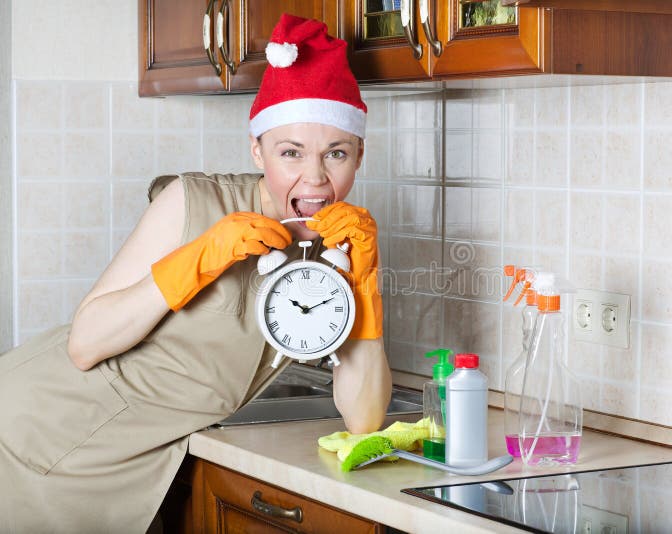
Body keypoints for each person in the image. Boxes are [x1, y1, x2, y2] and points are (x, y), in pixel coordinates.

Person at [0, 13, 391, 533]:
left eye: (335, 153)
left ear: (359, 155)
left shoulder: (342, 250)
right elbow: (85, 344)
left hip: (132, 459)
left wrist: (365, 279)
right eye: (290, 153)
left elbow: (363, 421)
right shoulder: (192, 202)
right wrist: (201, 256)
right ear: (258, 150)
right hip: (39, 428)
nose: (315, 177)